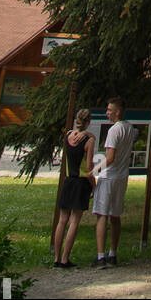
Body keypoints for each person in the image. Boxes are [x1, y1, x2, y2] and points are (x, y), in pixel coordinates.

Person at [91, 96, 136, 269]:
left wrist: (95, 170)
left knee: (102, 215)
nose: (106, 113)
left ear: (117, 112)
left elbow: (110, 157)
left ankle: (101, 256)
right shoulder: (129, 128)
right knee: (115, 216)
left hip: (109, 176)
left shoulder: (114, 131)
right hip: (122, 176)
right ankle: (113, 253)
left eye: (109, 110)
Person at [52, 108, 96, 268]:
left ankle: (56, 257)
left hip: (68, 180)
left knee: (62, 220)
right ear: (88, 122)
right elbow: (89, 166)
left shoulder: (68, 136)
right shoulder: (88, 141)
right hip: (81, 181)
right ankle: (65, 258)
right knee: (74, 221)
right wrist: (94, 185)